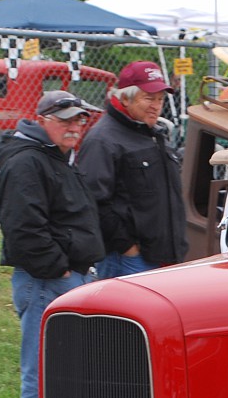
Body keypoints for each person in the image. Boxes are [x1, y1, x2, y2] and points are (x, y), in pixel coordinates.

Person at [0, 89, 105, 398]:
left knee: (68, 371)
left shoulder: (53, 158)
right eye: (67, 119)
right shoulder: (27, 162)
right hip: (46, 280)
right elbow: (24, 228)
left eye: (80, 120)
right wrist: (57, 269)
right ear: (42, 119)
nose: (75, 126)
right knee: (41, 372)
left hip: (68, 276)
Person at [77, 60, 186, 279]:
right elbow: (93, 202)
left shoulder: (152, 134)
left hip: (161, 256)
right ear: (125, 98)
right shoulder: (103, 140)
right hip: (128, 260)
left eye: (160, 99)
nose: (157, 105)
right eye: (148, 98)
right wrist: (128, 248)